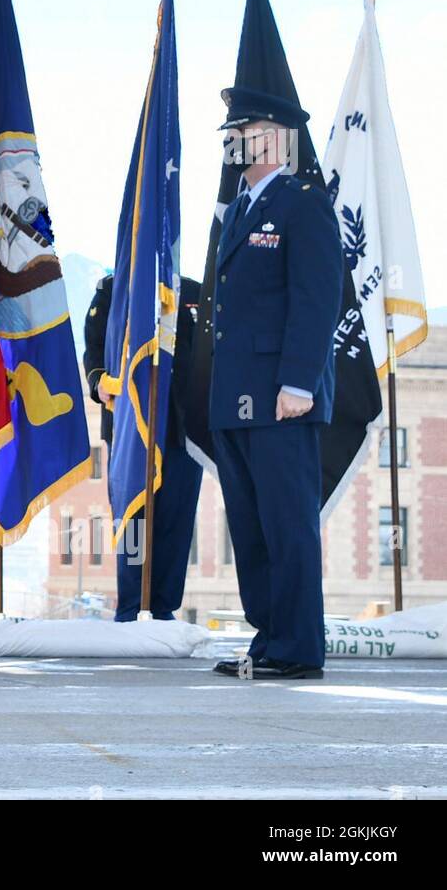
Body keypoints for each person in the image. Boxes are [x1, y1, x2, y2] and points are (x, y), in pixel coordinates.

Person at [208, 87, 342, 681]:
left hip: (281, 395)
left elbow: (316, 300)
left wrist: (298, 382)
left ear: (281, 138)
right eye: (234, 132)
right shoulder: (239, 209)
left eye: (250, 130)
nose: (238, 141)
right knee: (251, 525)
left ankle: (298, 647)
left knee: (287, 524)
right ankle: (269, 638)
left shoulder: (302, 204)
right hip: (236, 394)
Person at [83, 272, 204, 621]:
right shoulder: (114, 288)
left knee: (175, 520)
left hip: (181, 430)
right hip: (130, 428)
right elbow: (94, 344)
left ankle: (164, 606)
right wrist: (98, 380)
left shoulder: (193, 292)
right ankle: (132, 605)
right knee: (133, 520)